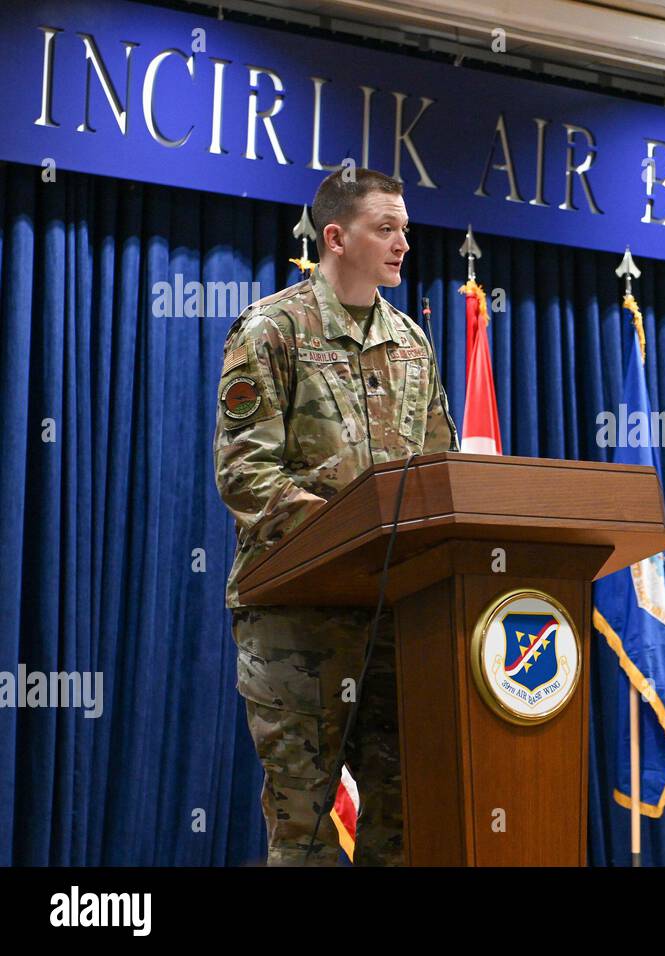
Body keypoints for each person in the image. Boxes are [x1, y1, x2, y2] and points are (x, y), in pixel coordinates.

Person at [213, 168, 458, 865]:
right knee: (307, 829)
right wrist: (351, 530)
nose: (404, 243)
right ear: (335, 236)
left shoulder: (412, 342)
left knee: (408, 817)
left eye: (406, 229)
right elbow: (246, 476)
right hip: (297, 615)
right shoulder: (272, 330)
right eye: (387, 228)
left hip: (394, 614)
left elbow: (439, 473)